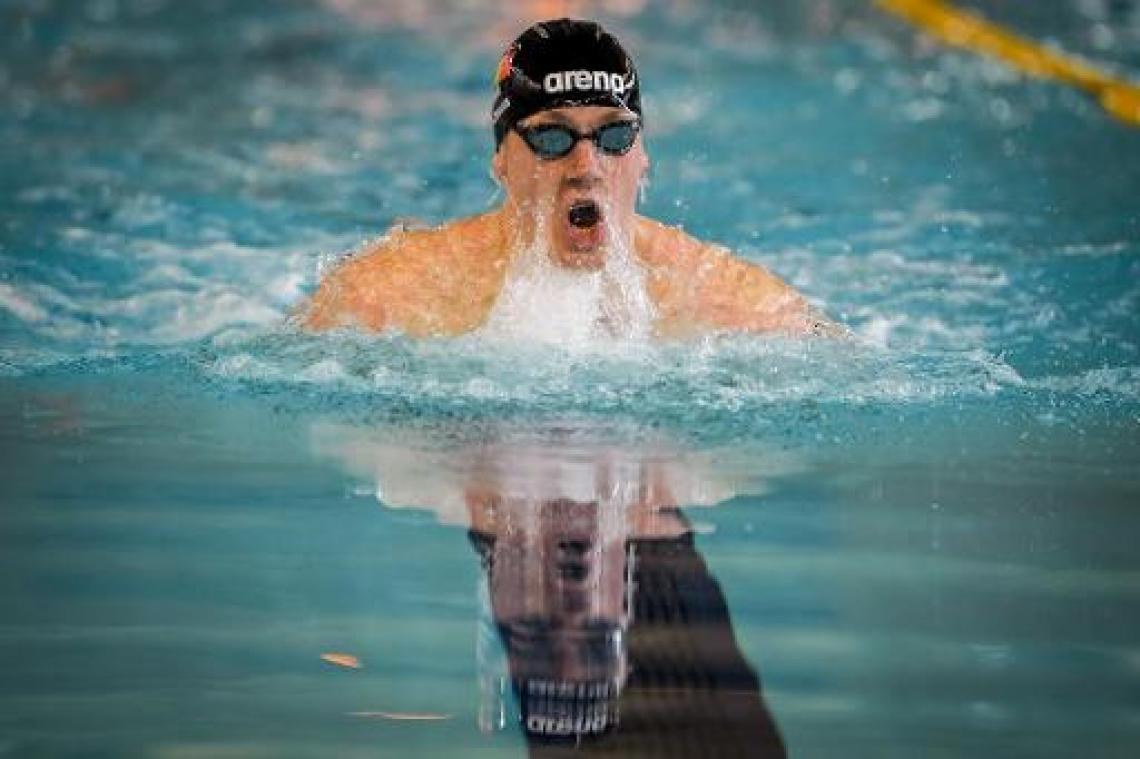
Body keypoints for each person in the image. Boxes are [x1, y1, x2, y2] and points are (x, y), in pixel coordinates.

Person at [302, 18, 841, 340]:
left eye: (613, 138)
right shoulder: (391, 293)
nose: (586, 168)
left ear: (643, 156)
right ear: (501, 161)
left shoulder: (732, 301)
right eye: (552, 138)